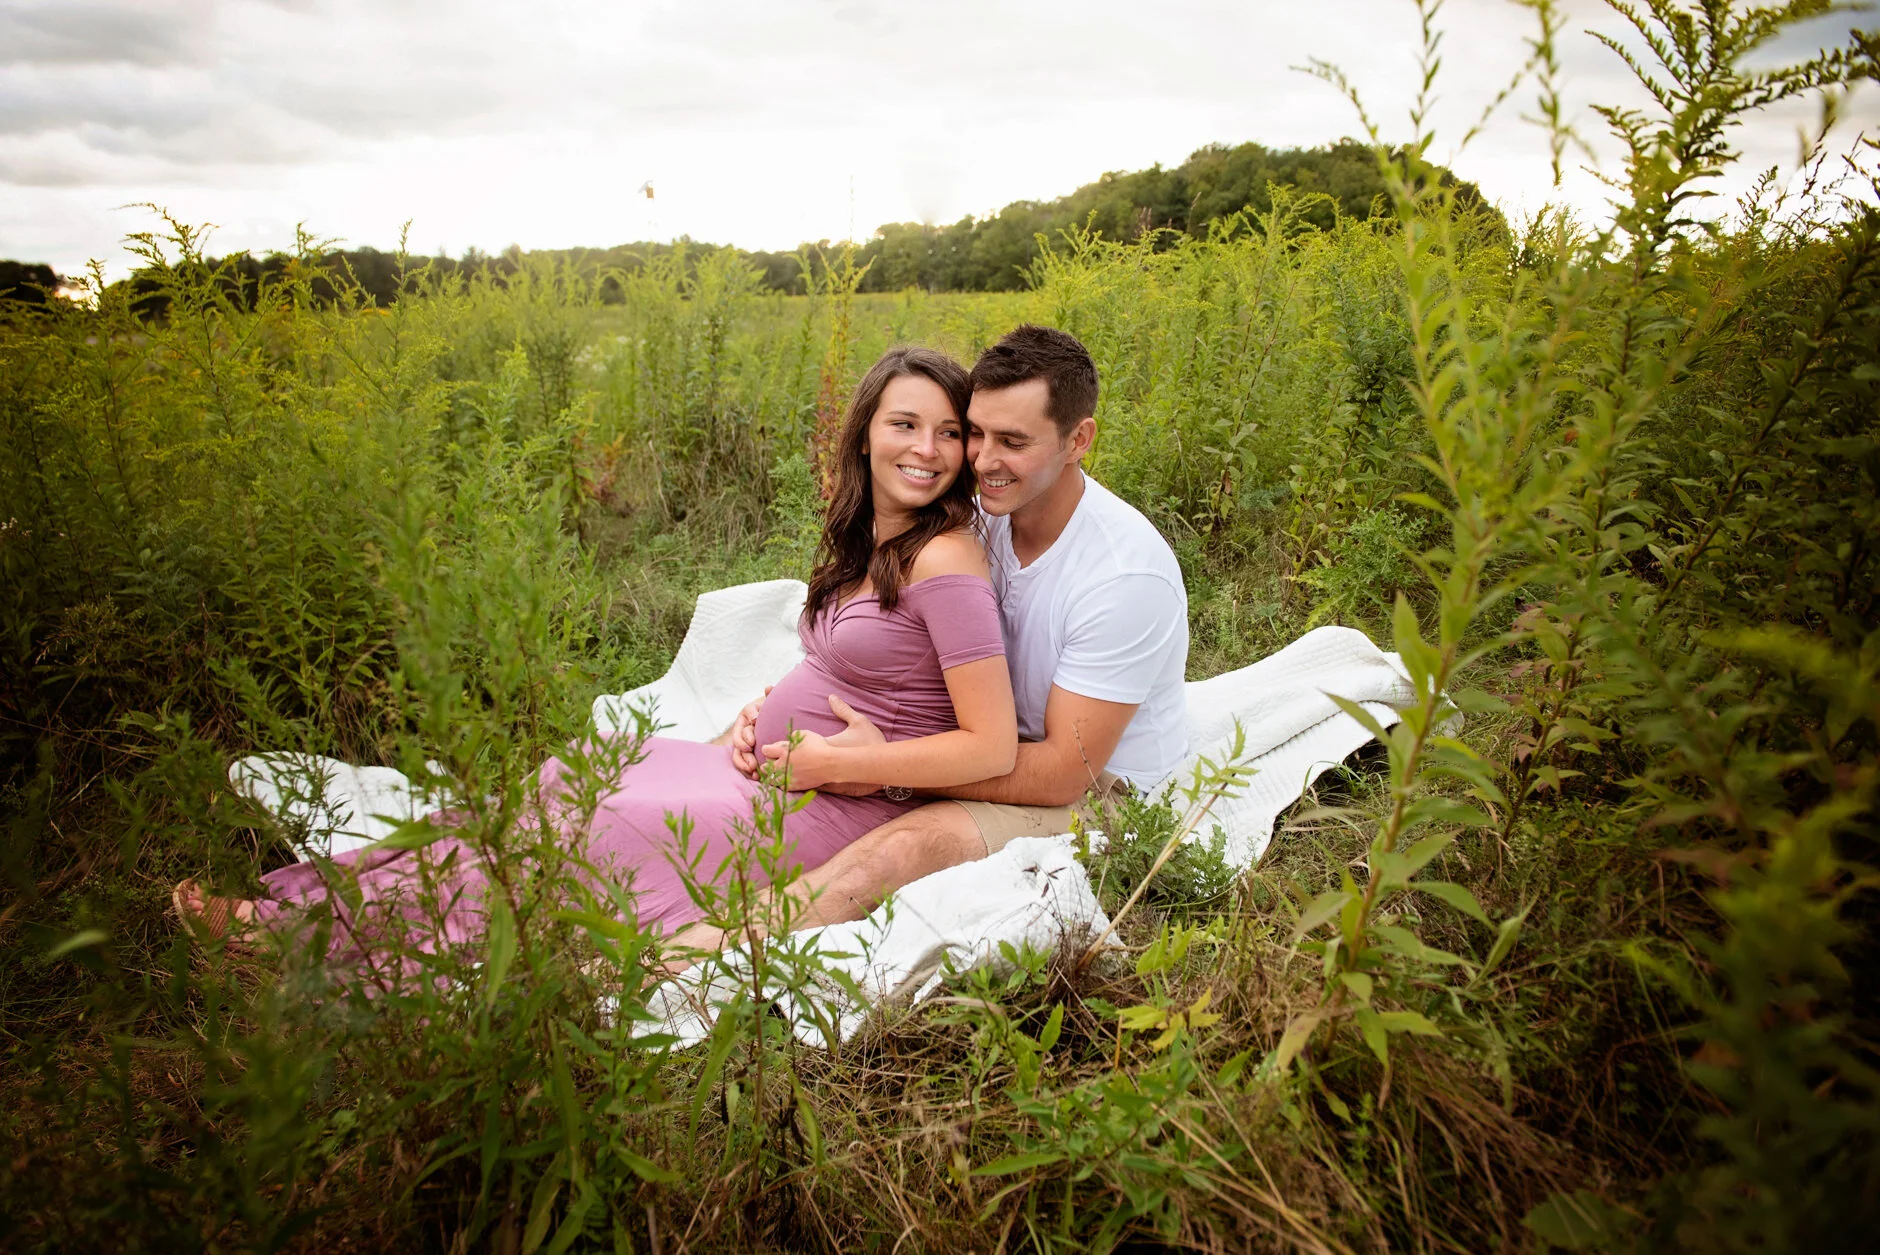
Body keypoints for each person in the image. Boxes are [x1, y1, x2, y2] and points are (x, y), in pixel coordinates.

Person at [171, 346, 1019, 971]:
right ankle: (340, 904)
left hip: (829, 809)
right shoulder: (873, 538)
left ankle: (311, 938)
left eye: (949, 432)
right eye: (905, 423)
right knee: (572, 775)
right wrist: (763, 710)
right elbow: (859, 666)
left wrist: (842, 760)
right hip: (775, 774)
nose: (927, 448)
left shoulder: (946, 559)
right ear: (864, 432)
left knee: (595, 826)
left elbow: (991, 745)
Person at [671, 324, 1189, 955]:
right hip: (986, 746)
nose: (983, 460)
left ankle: (690, 959)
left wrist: (869, 768)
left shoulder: (1123, 576)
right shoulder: (988, 512)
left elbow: (1062, 772)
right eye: (975, 432)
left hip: (1096, 786)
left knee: (901, 849)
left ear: (1078, 440)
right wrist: (778, 708)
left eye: (1013, 442)